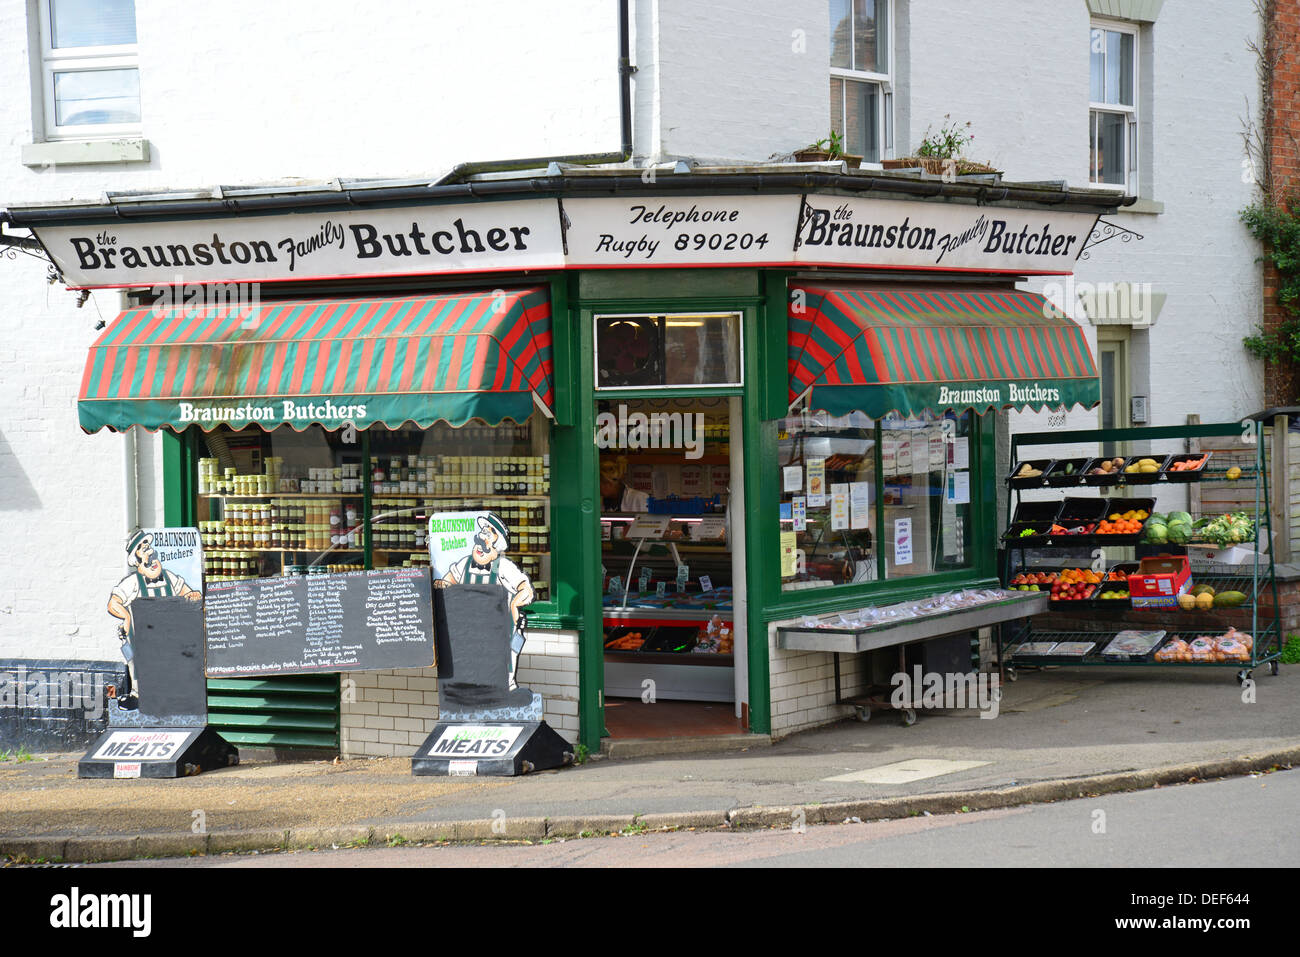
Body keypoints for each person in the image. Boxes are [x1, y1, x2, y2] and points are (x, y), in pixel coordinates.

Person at [107, 530, 202, 708]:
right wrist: (126, 617)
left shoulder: (169, 577)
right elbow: (114, 603)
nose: (150, 554)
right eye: (143, 551)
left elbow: (186, 592)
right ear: (137, 561)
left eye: (150, 550)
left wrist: (192, 594)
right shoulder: (133, 582)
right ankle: (138, 695)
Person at [441, 513, 534, 689]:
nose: (481, 543)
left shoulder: (504, 567)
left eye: (488, 537)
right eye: (482, 535)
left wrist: (515, 605)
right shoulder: (465, 563)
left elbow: (526, 590)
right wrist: (442, 585)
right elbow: (448, 581)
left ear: (496, 547)